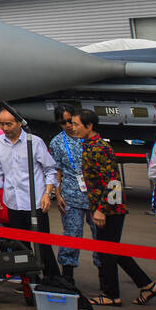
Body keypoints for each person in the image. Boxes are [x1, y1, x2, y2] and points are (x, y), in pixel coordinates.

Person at [70, 109, 156, 306]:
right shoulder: (89, 146)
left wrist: (102, 209)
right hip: (105, 207)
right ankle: (147, 285)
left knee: (107, 252)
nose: (73, 128)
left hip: (110, 209)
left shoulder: (100, 148)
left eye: (76, 124)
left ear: (89, 126)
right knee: (112, 250)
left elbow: (114, 183)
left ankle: (112, 295)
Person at [0, 106, 60, 280]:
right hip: (13, 202)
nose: (5, 128)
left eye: (9, 124)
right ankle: (28, 281)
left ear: (19, 123)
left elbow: (50, 170)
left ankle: (53, 279)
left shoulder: (33, 142)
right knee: (20, 246)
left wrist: (47, 193)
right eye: (3, 124)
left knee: (43, 245)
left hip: (34, 201)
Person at [48, 104, 96, 279]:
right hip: (70, 194)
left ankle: (104, 277)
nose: (68, 125)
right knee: (72, 233)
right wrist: (58, 194)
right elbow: (56, 171)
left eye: (70, 121)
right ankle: (67, 277)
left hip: (93, 196)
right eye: (63, 122)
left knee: (100, 237)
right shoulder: (57, 143)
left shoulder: (88, 138)